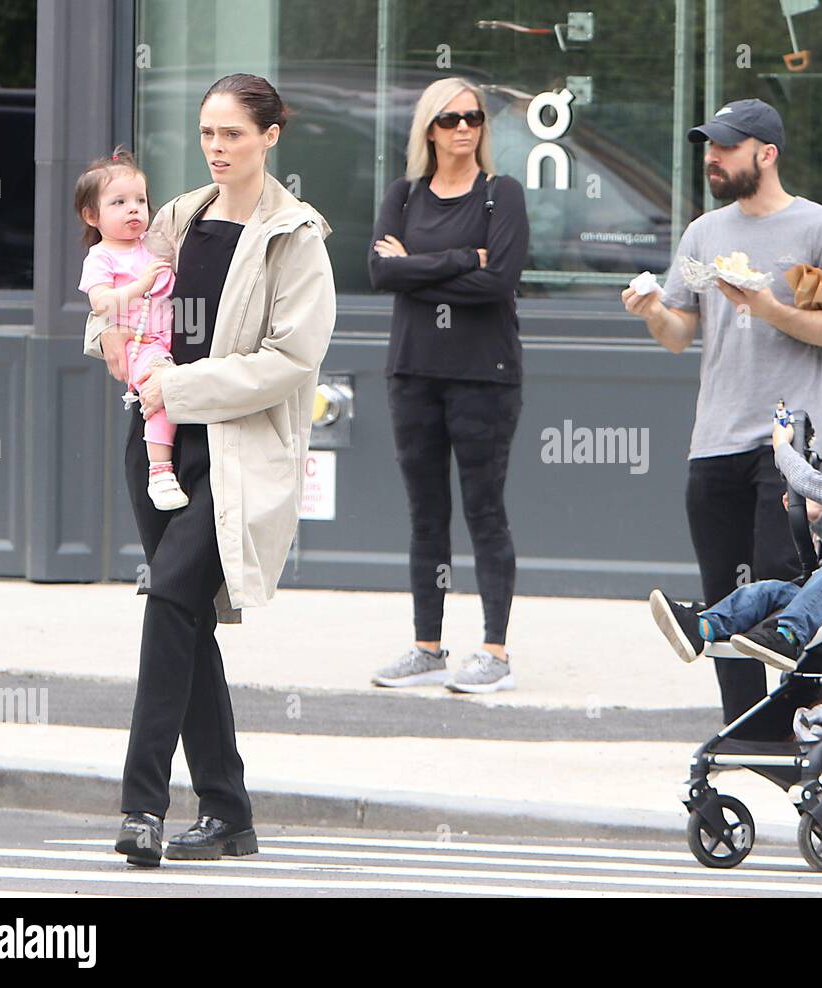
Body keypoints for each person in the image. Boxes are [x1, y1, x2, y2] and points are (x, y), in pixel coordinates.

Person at [84, 73, 337, 866]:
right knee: (185, 617)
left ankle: (142, 807)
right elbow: (127, 299)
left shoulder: (295, 237)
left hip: (235, 447)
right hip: (157, 439)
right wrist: (114, 346)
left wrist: (182, 385)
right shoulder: (180, 216)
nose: (218, 148)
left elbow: (292, 359)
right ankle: (228, 812)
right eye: (207, 134)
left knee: (168, 598)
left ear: (271, 136)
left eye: (233, 133)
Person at [623, 98, 822, 725]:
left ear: (767, 153)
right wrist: (652, 309)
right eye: (709, 146)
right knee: (724, 594)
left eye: (726, 146)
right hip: (714, 439)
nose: (713, 157)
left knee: (783, 587)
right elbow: (680, 334)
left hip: (788, 443)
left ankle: (807, 715)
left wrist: (767, 306)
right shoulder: (704, 232)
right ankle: (746, 730)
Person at [368, 77, 529, 695]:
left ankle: (495, 650)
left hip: (483, 377)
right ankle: (427, 645)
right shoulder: (404, 196)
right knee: (425, 514)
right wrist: (464, 259)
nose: (465, 127)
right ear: (429, 129)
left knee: (485, 511)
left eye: (474, 117)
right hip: (413, 374)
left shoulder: (500, 195)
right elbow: (381, 272)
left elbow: (501, 281)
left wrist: (417, 271)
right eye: (450, 118)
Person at [650, 404, 822, 672]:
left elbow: (809, 483)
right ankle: (704, 627)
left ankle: (788, 639)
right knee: (770, 590)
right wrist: (819, 519)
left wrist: (782, 446)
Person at [75, 147, 185, 510]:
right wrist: (141, 285)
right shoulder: (102, 257)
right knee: (161, 393)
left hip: (171, 336)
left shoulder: (150, 247)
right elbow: (102, 303)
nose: (134, 208)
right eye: (119, 202)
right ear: (92, 216)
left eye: (140, 200)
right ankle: (160, 471)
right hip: (140, 343)